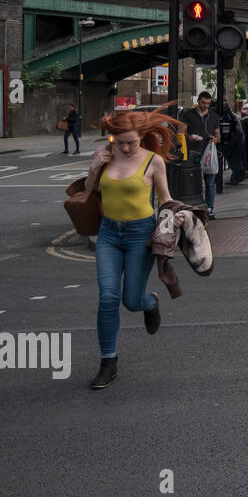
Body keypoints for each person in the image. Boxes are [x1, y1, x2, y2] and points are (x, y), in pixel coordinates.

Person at [84, 107, 188, 390]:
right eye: (120, 142)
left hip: (139, 235)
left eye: (132, 141)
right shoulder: (104, 158)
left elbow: (165, 198)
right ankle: (108, 361)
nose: (127, 147)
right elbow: (87, 192)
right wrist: (94, 168)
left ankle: (149, 302)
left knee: (131, 301)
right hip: (108, 235)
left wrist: (176, 214)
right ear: (112, 139)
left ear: (142, 136)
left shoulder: (153, 161)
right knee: (107, 298)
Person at [179, 91, 221, 220]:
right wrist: (189, 137)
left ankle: (210, 207)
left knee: (210, 181)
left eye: (208, 103)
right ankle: (196, 206)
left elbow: (218, 135)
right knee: (194, 181)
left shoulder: (213, 116)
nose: (206, 106)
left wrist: (215, 139)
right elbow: (181, 132)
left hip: (208, 152)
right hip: (193, 153)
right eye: (203, 103)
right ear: (198, 101)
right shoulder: (188, 115)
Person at [224, 97, 247, 185]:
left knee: (233, 158)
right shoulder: (229, 113)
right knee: (234, 158)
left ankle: (238, 175)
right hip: (237, 137)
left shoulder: (227, 115)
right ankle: (239, 173)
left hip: (235, 138)